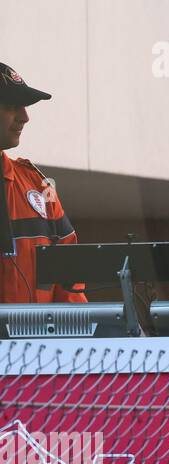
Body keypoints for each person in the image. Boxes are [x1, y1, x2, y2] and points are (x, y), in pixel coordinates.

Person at [0, 63, 87, 305]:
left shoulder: (40, 186)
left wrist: (76, 333)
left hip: (38, 342)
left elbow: (69, 280)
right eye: (10, 106)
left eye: (24, 107)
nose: (25, 117)